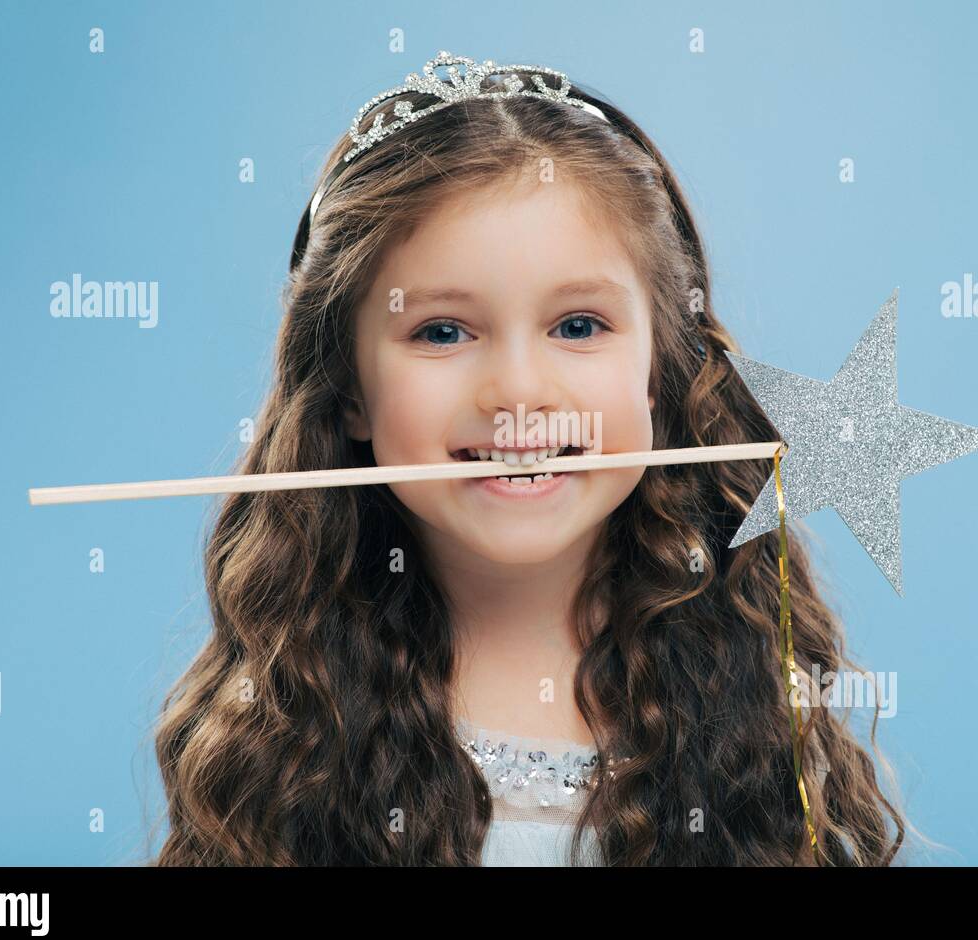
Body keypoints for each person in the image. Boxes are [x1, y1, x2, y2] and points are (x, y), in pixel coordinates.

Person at [154, 51, 911, 866]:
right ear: (349, 390)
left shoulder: (751, 693)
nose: (519, 391)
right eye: (442, 331)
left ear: (660, 371)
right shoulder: (291, 724)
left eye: (579, 326)